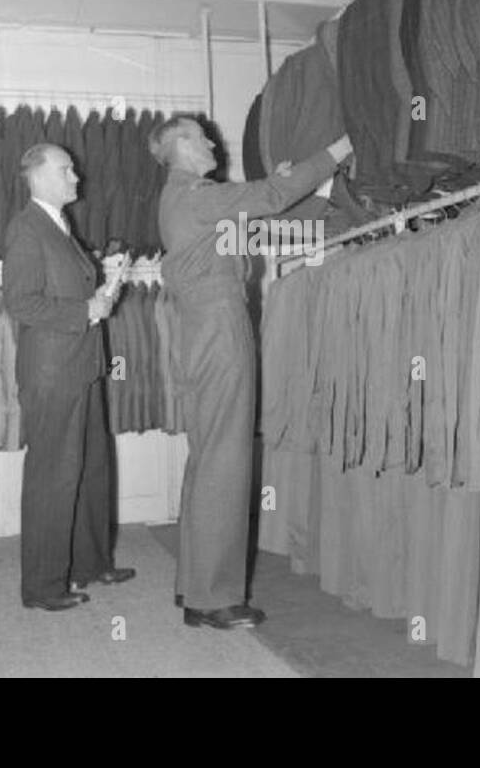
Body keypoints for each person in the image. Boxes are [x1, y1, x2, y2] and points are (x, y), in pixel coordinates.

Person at [151, 115, 353, 629]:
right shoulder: (196, 194)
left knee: (208, 455)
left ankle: (194, 587)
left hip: (204, 328)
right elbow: (269, 199)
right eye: (199, 136)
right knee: (227, 458)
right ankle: (215, 598)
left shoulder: (187, 199)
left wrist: (311, 188)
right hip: (220, 326)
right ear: (179, 147)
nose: (211, 141)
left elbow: (270, 217)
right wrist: (337, 150)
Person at [2, 143, 134, 611]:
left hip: (81, 364)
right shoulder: (26, 229)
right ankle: (42, 585)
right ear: (36, 176)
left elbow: (64, 292)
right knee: (53, 476)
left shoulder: (60, 226)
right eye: (66, 170)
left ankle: (90, 563)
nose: (76, 177)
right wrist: (86, 309)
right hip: (53, 371)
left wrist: (100, 295)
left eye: (73, 170)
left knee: (94, 467)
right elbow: (21, 302)